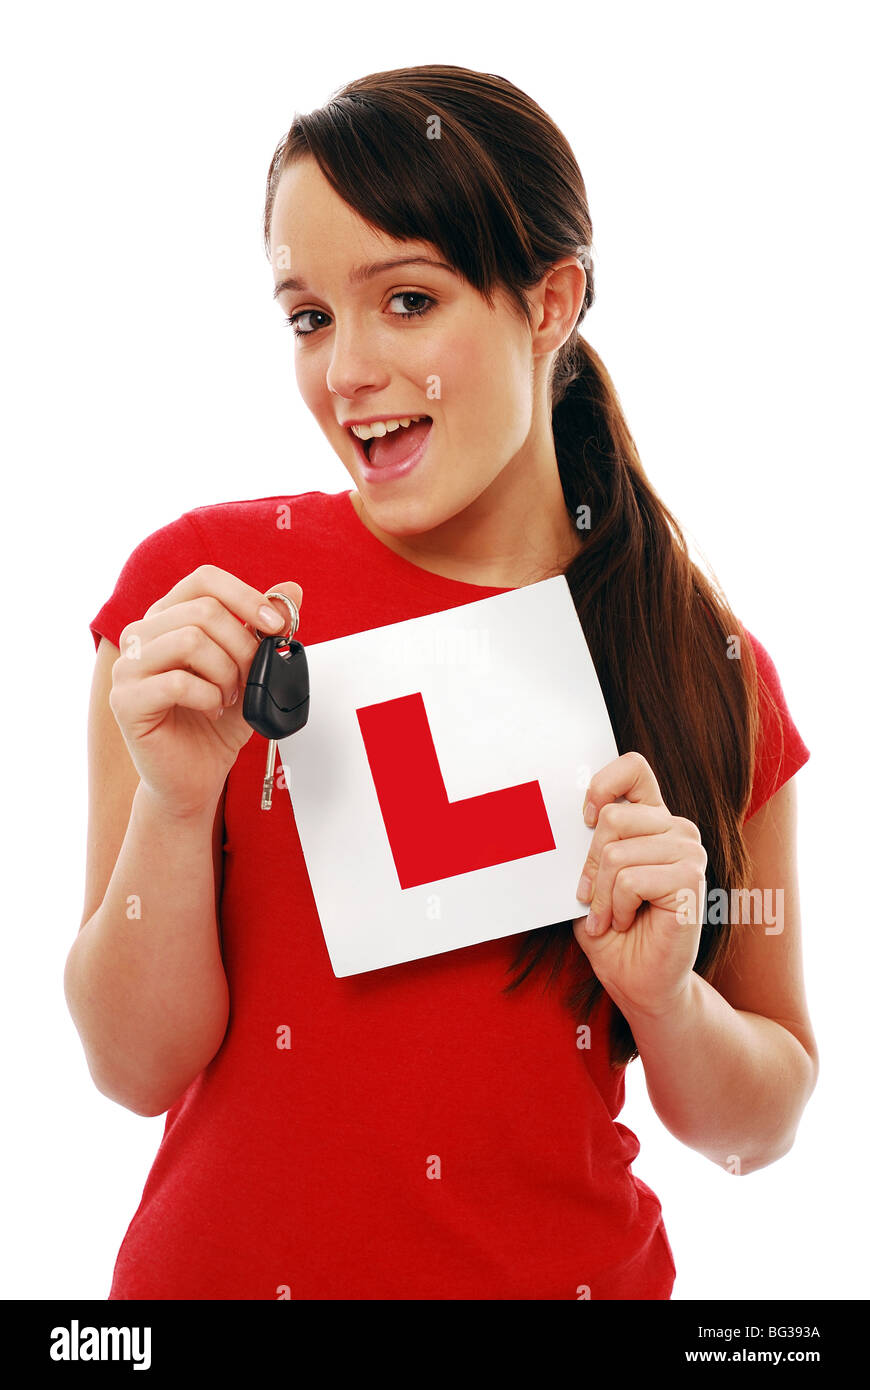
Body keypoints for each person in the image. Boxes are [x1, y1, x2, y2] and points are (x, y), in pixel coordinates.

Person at [64, 64, 817, 1300]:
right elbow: (132, 1068)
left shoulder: (702, 666)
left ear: (549, 302)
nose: (347, 369)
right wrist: (178, 803)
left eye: (407, 299)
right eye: (309, 316)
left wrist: (669, 999)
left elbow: (760, 1126)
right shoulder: (202, 600)